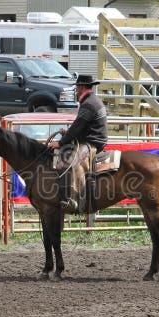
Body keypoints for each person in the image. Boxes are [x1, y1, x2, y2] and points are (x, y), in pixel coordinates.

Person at [51, 74, 108, 213]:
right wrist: (68, 134)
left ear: (81, 87)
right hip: (92, 138)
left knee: (71, 162)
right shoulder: (91, 101)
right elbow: (80, 125)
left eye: (77, 87)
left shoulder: (89, 103)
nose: (76, 90)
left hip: (93, 142)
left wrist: (60, 142)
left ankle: (72, 199)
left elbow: (78, 126)